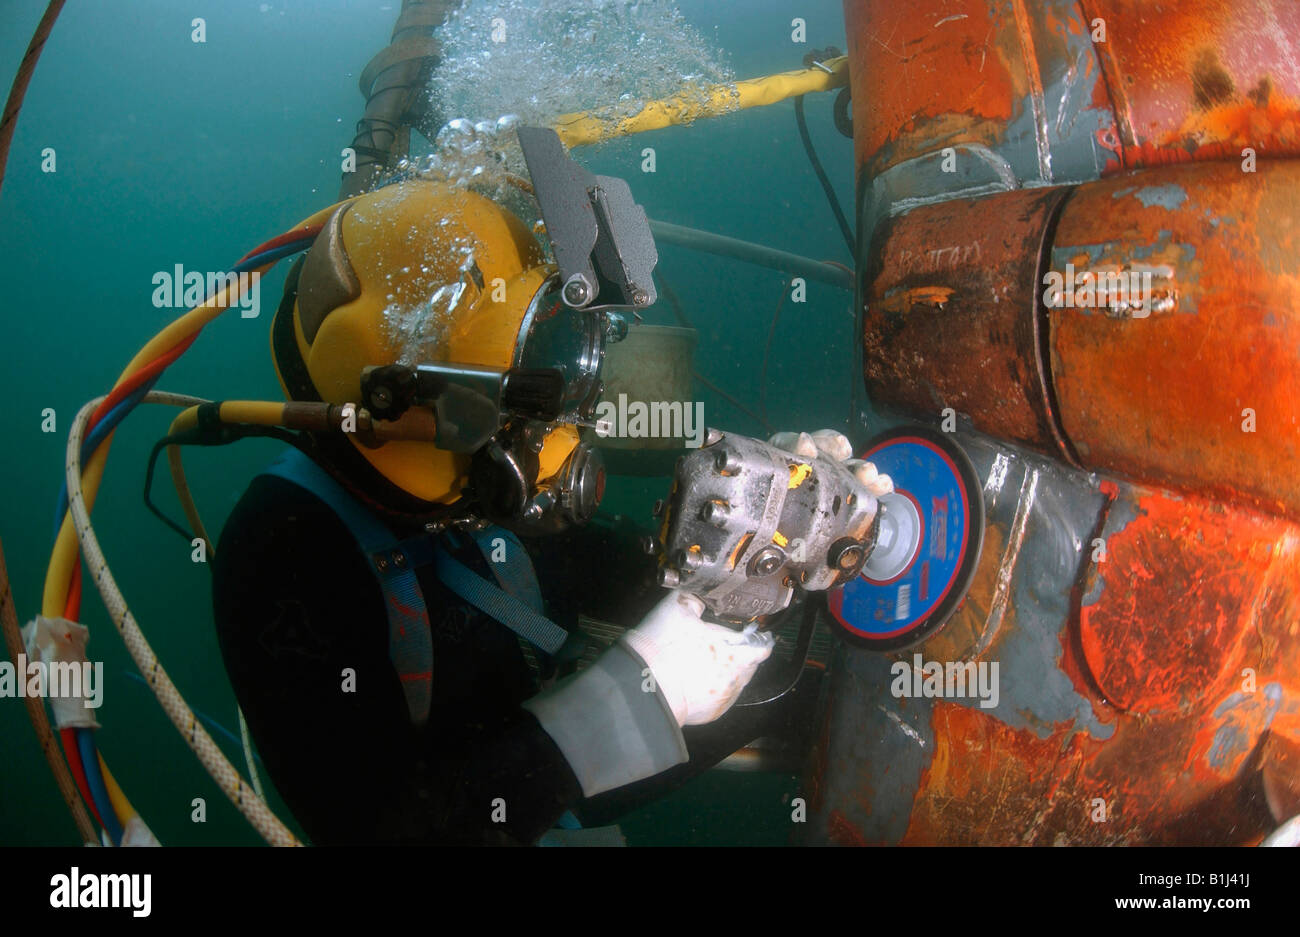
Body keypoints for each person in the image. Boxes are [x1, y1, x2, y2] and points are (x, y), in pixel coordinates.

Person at [211, 175, 878, 845]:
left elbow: (624, 585)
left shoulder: (475, 478)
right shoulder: (280, 551)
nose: (563, 415)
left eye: (573, 348)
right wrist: (623, 702)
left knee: (825, 689)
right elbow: (380, 828)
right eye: (536, 373)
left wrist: (761, 531)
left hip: (547, 788)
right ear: (405, 400)